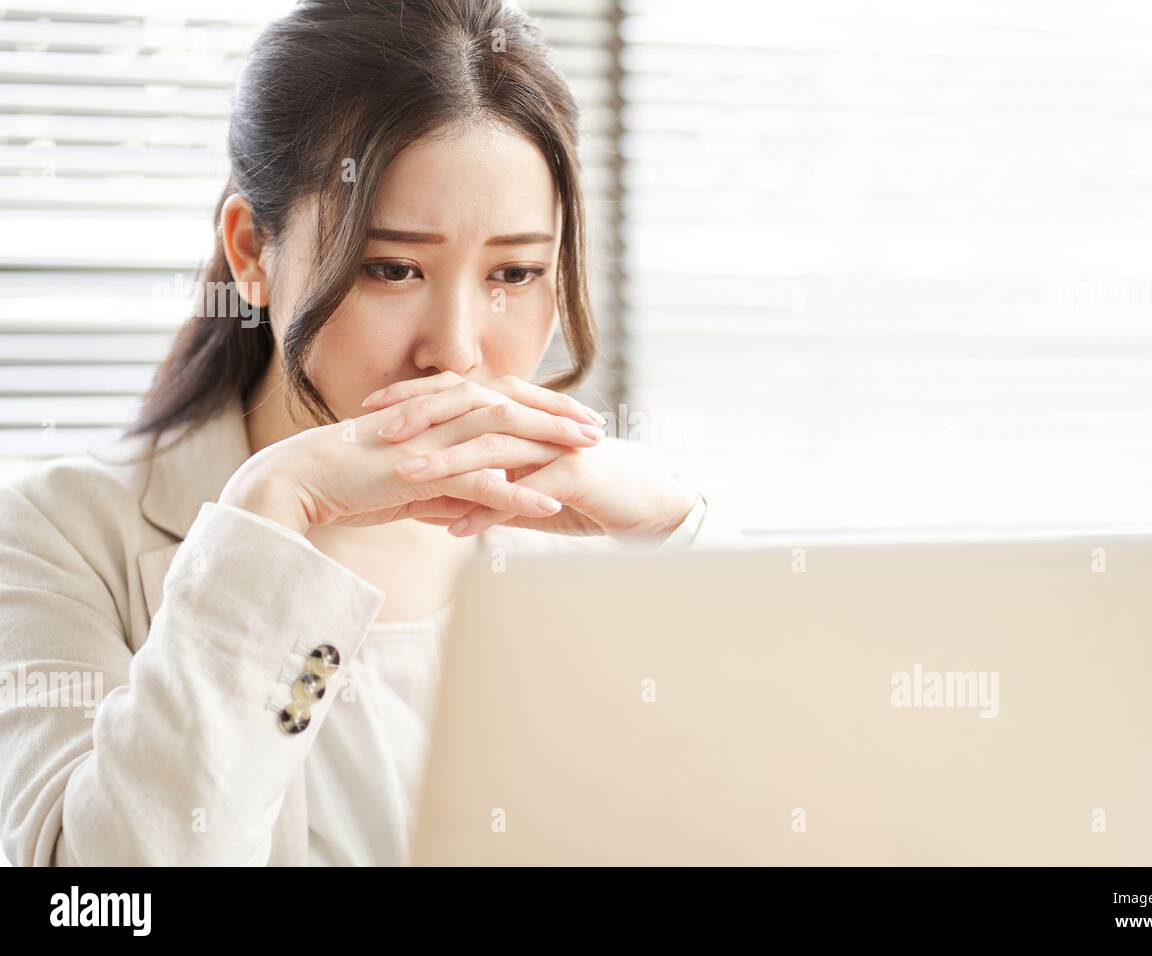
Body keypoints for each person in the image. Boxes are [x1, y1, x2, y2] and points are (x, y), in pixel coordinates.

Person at [0, 0, 745, 867]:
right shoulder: (59, 537)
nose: (457, 349)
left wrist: (681, 530)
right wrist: (267, 519)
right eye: (392, 268)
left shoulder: (598, 540)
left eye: (514, 271)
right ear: (251, 253)